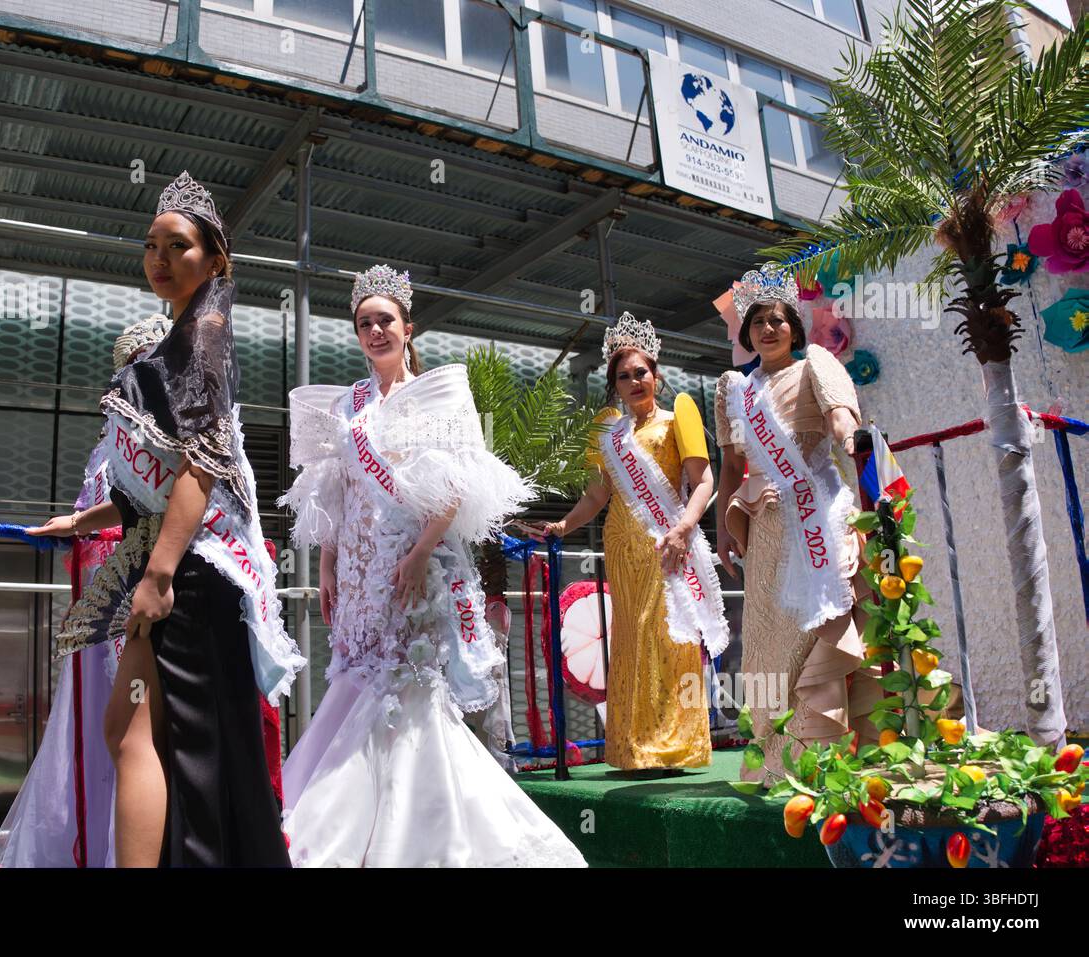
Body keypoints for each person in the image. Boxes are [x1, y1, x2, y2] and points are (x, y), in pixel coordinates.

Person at [30, 171, 304, 867]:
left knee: (158, 738)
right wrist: (82, 521)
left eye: (176, 245)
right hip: (176, 568)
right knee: (133, 730)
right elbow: (150, 480)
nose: (158, 257)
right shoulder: (185, 334)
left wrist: (157, 574)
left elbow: (203, 462)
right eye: (151, 244)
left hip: (185, 575)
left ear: (215, 258)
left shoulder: (205, 336)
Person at [277, 264, 586, 867]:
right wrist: (328, 565)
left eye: (384, 320)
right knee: (355, 677)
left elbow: (458, 487)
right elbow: (336, 491)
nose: (374, 331)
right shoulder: (344, 406)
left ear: (407, 327)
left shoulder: (440, 393)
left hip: (415, 567)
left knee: (411, 685)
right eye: (364, 323)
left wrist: (420, 554)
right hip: (363, 573)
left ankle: (421, 834)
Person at [0, 315, 171, 868]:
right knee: (96, 728)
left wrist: (80, 527)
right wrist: (73, 528)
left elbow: (152, 508)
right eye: (136, 366)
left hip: (137, 600)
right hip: (97, 609)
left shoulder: (168, 436)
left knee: (135, 729)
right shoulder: (109, 446)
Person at [526, 314, 728, 772]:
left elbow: (704, 480)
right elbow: (598, 494)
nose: (634, 381)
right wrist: (564, 525)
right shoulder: (609, 432)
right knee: (632, 640)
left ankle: (674, 745)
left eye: (641, 372)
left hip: (666, 544)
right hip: (622, 544)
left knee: (669, 637)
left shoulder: (681, 417)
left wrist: (683, 529)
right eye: (624, 376)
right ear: (614, 385)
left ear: (655, 375)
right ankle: (634, 746)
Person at [713, 265, 878, 777]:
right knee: (767, 641)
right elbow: (731, 468)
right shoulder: (733, 389)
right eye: (758, 321)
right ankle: (777, 762)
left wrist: (853, 441)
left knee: (821, 627)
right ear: (748, 332)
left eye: (778, 320)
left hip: (817, 516)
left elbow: (840, 419)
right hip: (765, 528)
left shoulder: (815, 366)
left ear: (795, 328)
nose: (768, 328)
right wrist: (722, 529)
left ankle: (830, 757)